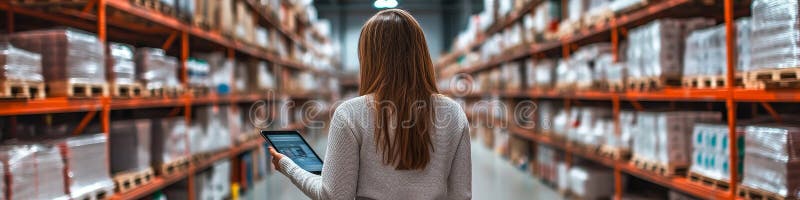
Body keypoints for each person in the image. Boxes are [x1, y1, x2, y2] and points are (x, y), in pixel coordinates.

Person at [268, 9, 472, 200]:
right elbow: (461, 195)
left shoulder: (350, 114)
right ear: (421, 55)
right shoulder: (453, 113)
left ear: (369, 59)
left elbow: (334, 196)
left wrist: (288, 165)